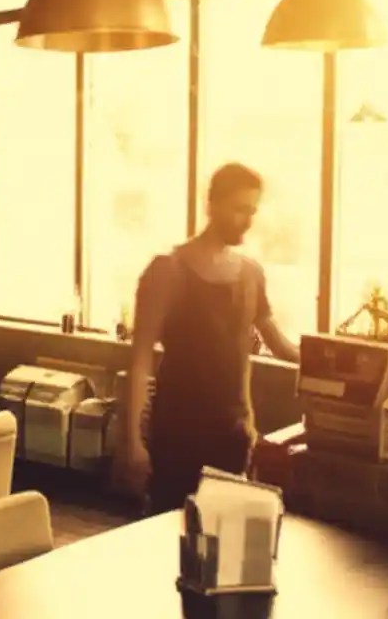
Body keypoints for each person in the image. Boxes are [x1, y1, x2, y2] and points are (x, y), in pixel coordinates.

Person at [111, 162, 301, 515]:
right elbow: (139, 361)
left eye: (253, 211)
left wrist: (335, 363)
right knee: (171, 539)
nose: (247, 220)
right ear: (211, 204)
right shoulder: (167, 270)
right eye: (239, 209)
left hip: (233, 436)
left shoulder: (251, 274)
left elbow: (279, 344)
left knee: (226, 544)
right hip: (176, 436)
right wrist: (132, 442)